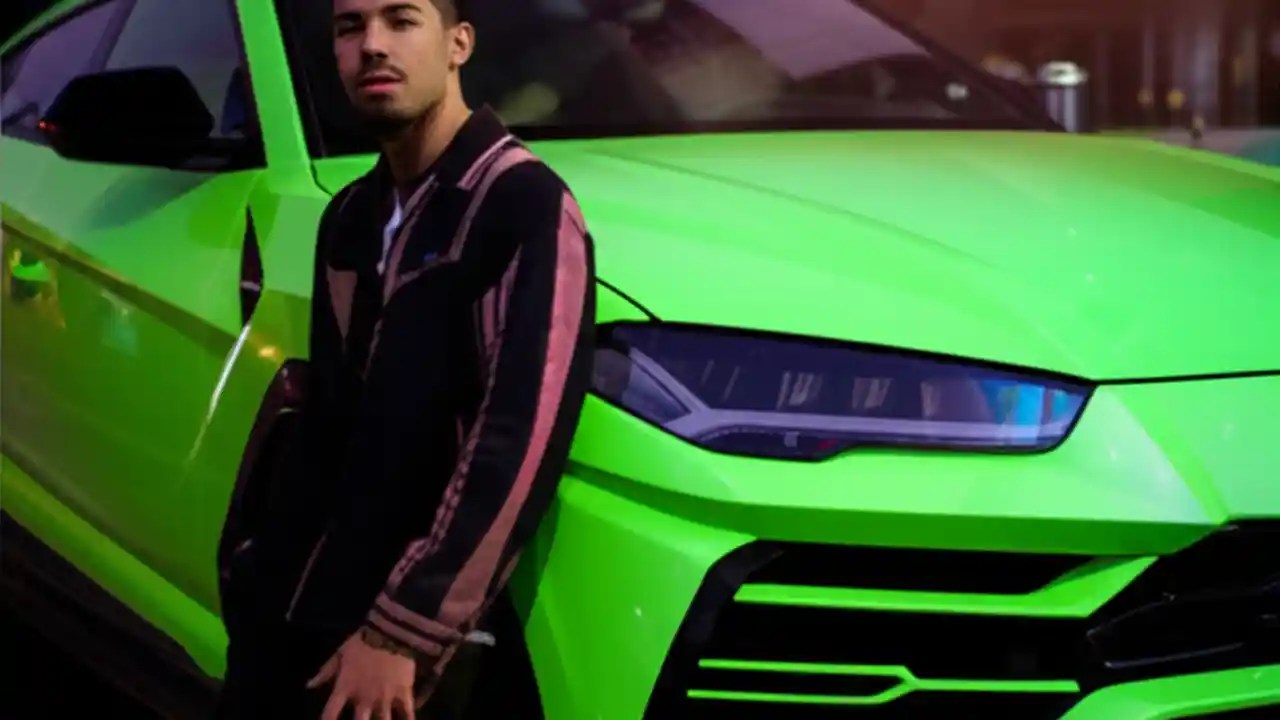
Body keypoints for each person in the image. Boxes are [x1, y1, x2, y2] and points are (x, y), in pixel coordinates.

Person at [215, 0, 597, 716]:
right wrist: (252, 563)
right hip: (289, 615)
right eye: (350, 27)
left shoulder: (521, 204)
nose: (372, 46)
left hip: (388, 646)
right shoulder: (352, 213)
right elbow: (327, 416)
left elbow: (516, 436)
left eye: (401, 19)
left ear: (458, 44)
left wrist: (404, 632)